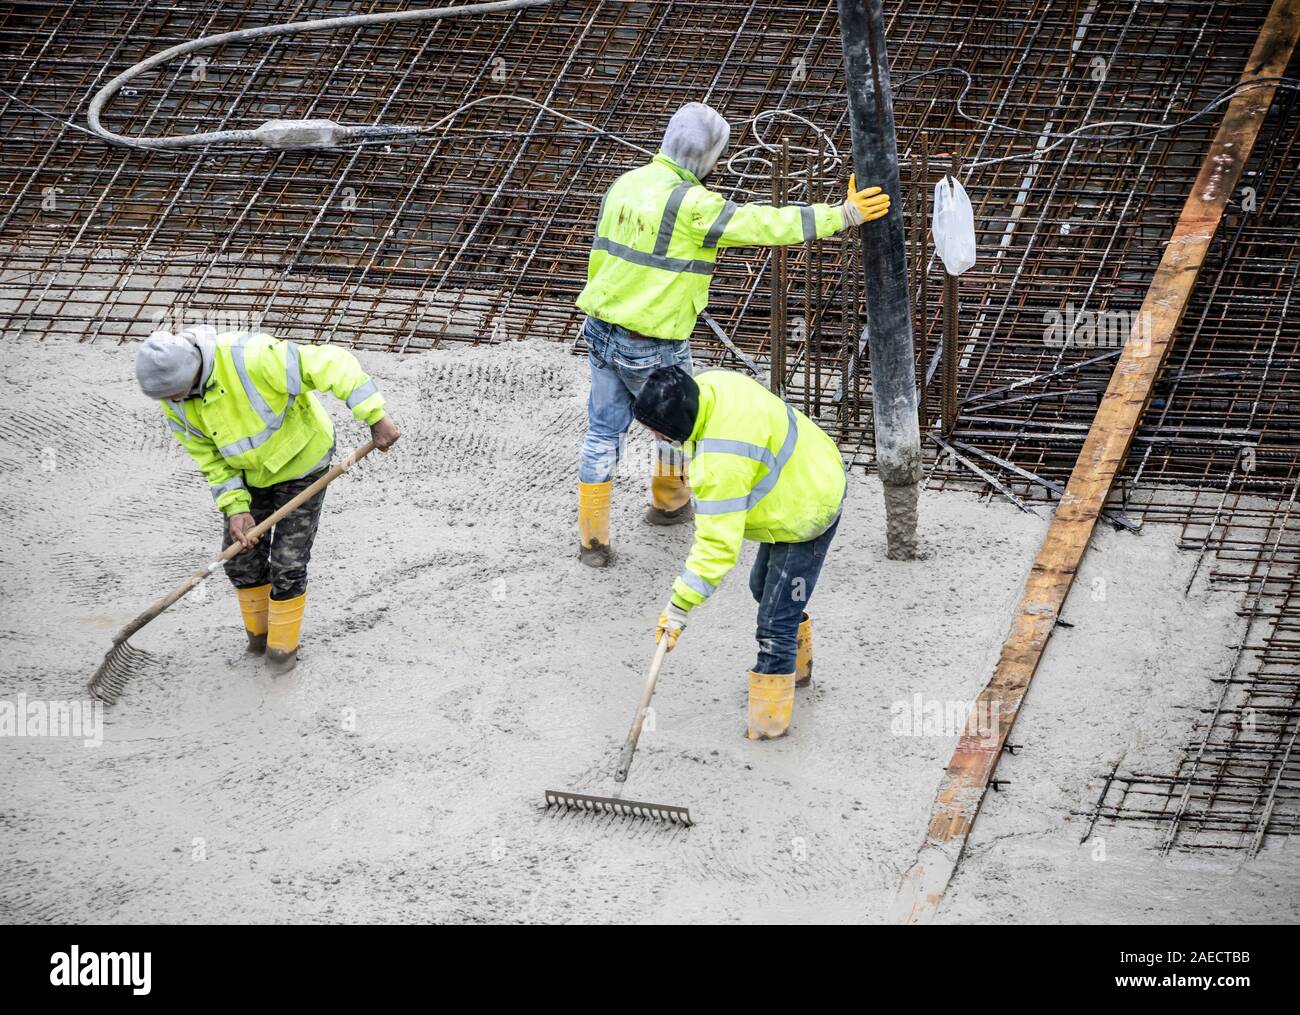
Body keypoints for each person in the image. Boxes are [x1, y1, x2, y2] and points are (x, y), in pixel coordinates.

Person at [573, 100, 887, 566]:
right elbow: (765, 224)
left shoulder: (627, 183)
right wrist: (843, 215)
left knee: (602, 433)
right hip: (652, 342)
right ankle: (669, 505)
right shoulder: (694, 204)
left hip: (599, 329)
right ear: (706, 156)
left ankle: (593, 543)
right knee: (678, 426)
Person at [134, 325, 400, 671]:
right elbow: (210, 458)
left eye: (178, 394)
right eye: (168, 399)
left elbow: (333, 363)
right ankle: (258, 641)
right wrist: (235, 508)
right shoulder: (176, 401)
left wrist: (375, 416)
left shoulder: (252, 356)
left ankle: (280, 655)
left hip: (303, 464)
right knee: (240, 560)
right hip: (248, 476)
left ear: (194, 372)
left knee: (287, 564)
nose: (174, 403)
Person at [633, 365, 845, 741]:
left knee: (774, 622)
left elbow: (717, 547)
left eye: (659, 430)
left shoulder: (721, 463)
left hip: (808, 509)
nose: (655, 436)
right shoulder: (714, 385)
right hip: (809, 470)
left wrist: (679, 608)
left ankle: (768, 727)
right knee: (763, 586)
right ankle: (799, 670)